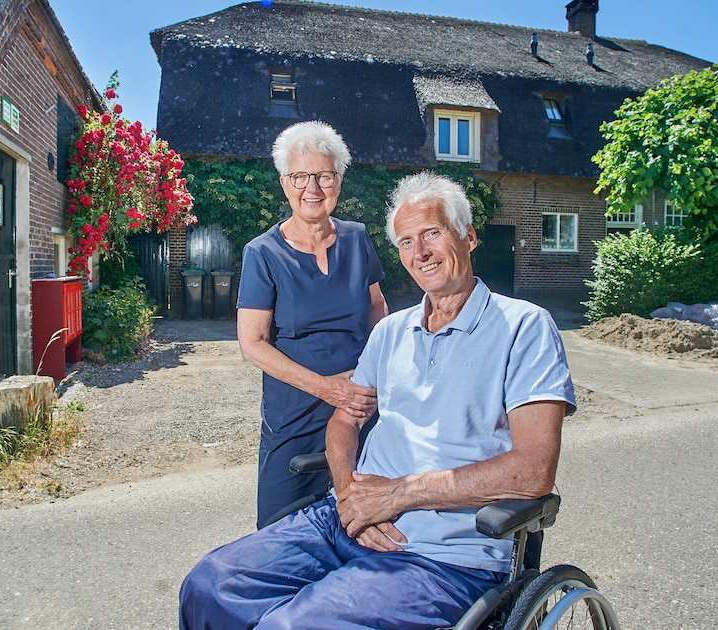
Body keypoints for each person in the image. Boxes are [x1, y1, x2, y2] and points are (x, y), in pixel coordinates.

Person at [179, 172, 577, 629]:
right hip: (347, 519)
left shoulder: (525, 327)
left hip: (441, 555)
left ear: (468, 236)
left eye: (432, 233)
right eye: (407, 241)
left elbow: (533, 470)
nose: (420, 252)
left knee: (291, 626)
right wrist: (350, 496)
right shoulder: (390, 331)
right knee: (209, 585)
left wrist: (397, 495)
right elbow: (345, 421)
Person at [237, 121, 388, 529]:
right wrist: (326, 387)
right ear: (285, 183)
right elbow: (252, 343)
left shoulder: (358, 239)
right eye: (301, 176)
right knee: (278, 528)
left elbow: (377, 308)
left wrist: (374, 374)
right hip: (296, 412)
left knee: (366, 523)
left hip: (360, 407)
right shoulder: (262, 253)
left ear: (339, 182)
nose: (313, 189)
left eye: (324, 176)